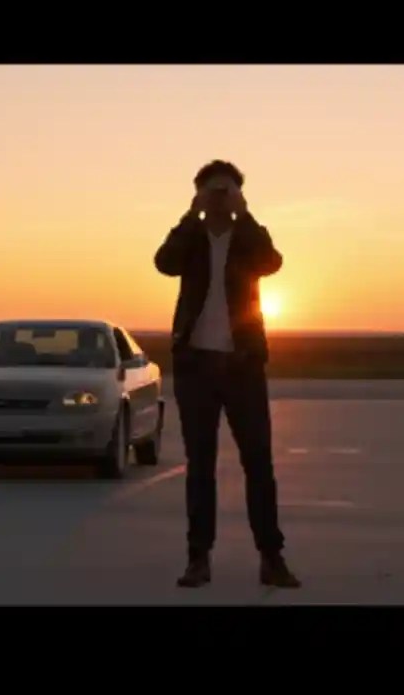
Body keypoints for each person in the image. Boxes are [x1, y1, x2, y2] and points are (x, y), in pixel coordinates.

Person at [153, 159, 300, 589]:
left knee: (259, 463)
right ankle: (198, 558)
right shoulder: (191, 237)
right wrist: (189, 216)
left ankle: (271, 557)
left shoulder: (249, 238)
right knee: (200, 466)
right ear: (199, 194)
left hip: (243, 366)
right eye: (212, 191)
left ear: (238, 194)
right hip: (196, 366)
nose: (220, 199)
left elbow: (272, 263)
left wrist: (246, 214)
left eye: (227, 190)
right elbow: (164, 262)